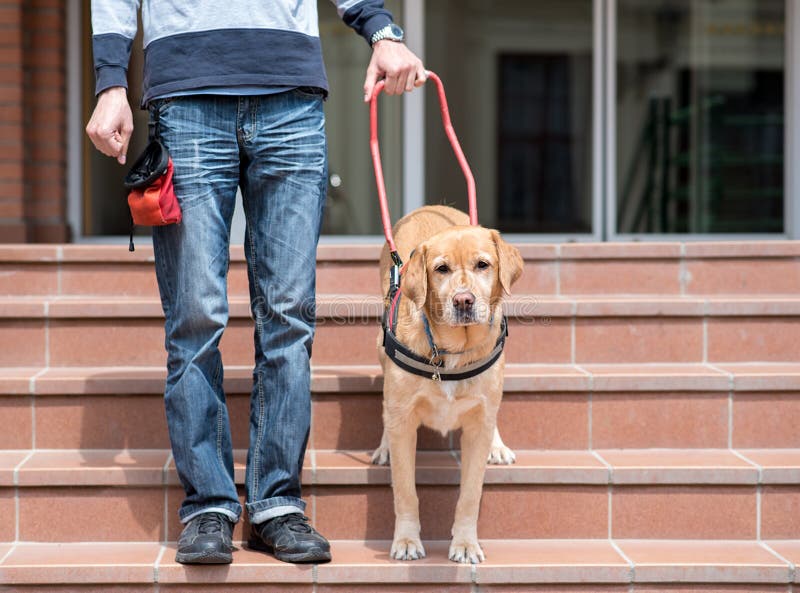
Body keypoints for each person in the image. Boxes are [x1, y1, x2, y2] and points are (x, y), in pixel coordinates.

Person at [86, 0, 425, 565]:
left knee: (288, 316)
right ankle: (208, 507)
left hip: (290, 96)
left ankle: (277, 505)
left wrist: (381, 30)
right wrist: (110, 81)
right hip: (187, 96)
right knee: (195, 317)